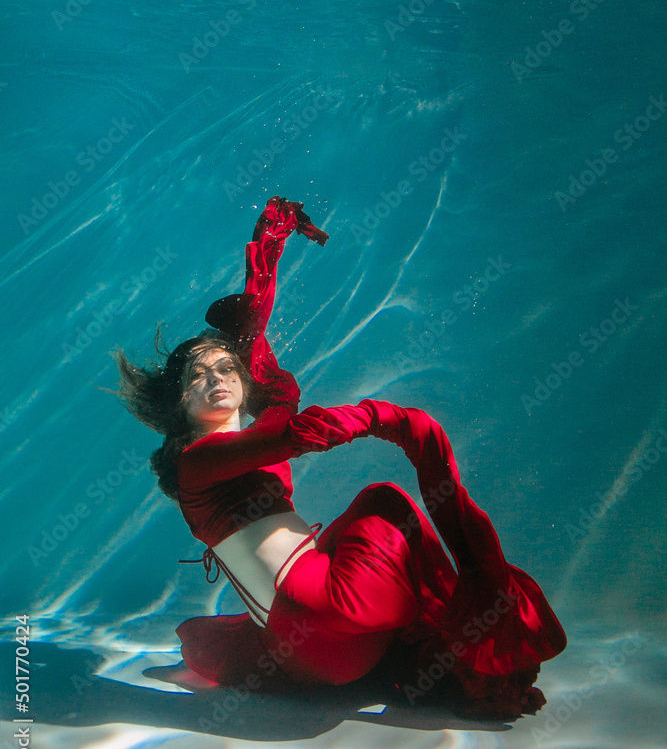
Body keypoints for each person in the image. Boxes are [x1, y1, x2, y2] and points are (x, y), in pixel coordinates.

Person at [116, 196, 566, 718]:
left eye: (225, 369)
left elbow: (278, 401)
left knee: (351, 538)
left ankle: (449, 646)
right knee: (385, 501)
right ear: (179, 403)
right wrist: (391, 420)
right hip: (320, 613)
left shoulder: (240, 449)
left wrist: (268, 256)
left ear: (240, 380)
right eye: (199, 375)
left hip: (316, 659)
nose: (216, 379)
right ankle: (463, 634)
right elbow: (299, 433)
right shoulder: (195, 460)